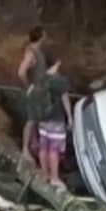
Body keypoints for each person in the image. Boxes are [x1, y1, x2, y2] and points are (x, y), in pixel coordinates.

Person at [32, 54, 73, 187]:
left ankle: (45, 174)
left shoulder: (39, 79)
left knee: (44, 148)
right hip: (56, 120)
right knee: (54, 150)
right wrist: (70, 117)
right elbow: (65, 100)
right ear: (56, 64)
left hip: (42, 119)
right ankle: (55, 178)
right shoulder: (60, 81)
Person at [16, 25, 48, 156]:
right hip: (33, 91)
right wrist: (28, 87)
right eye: (45, 35)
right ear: (40, 37)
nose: (46, 37)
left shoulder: (38, 51)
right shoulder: (31, 53)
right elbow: (21, 72)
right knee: (31, 119)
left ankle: (34, 143)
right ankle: (25, 149)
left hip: (39, 90)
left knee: (35, 118)